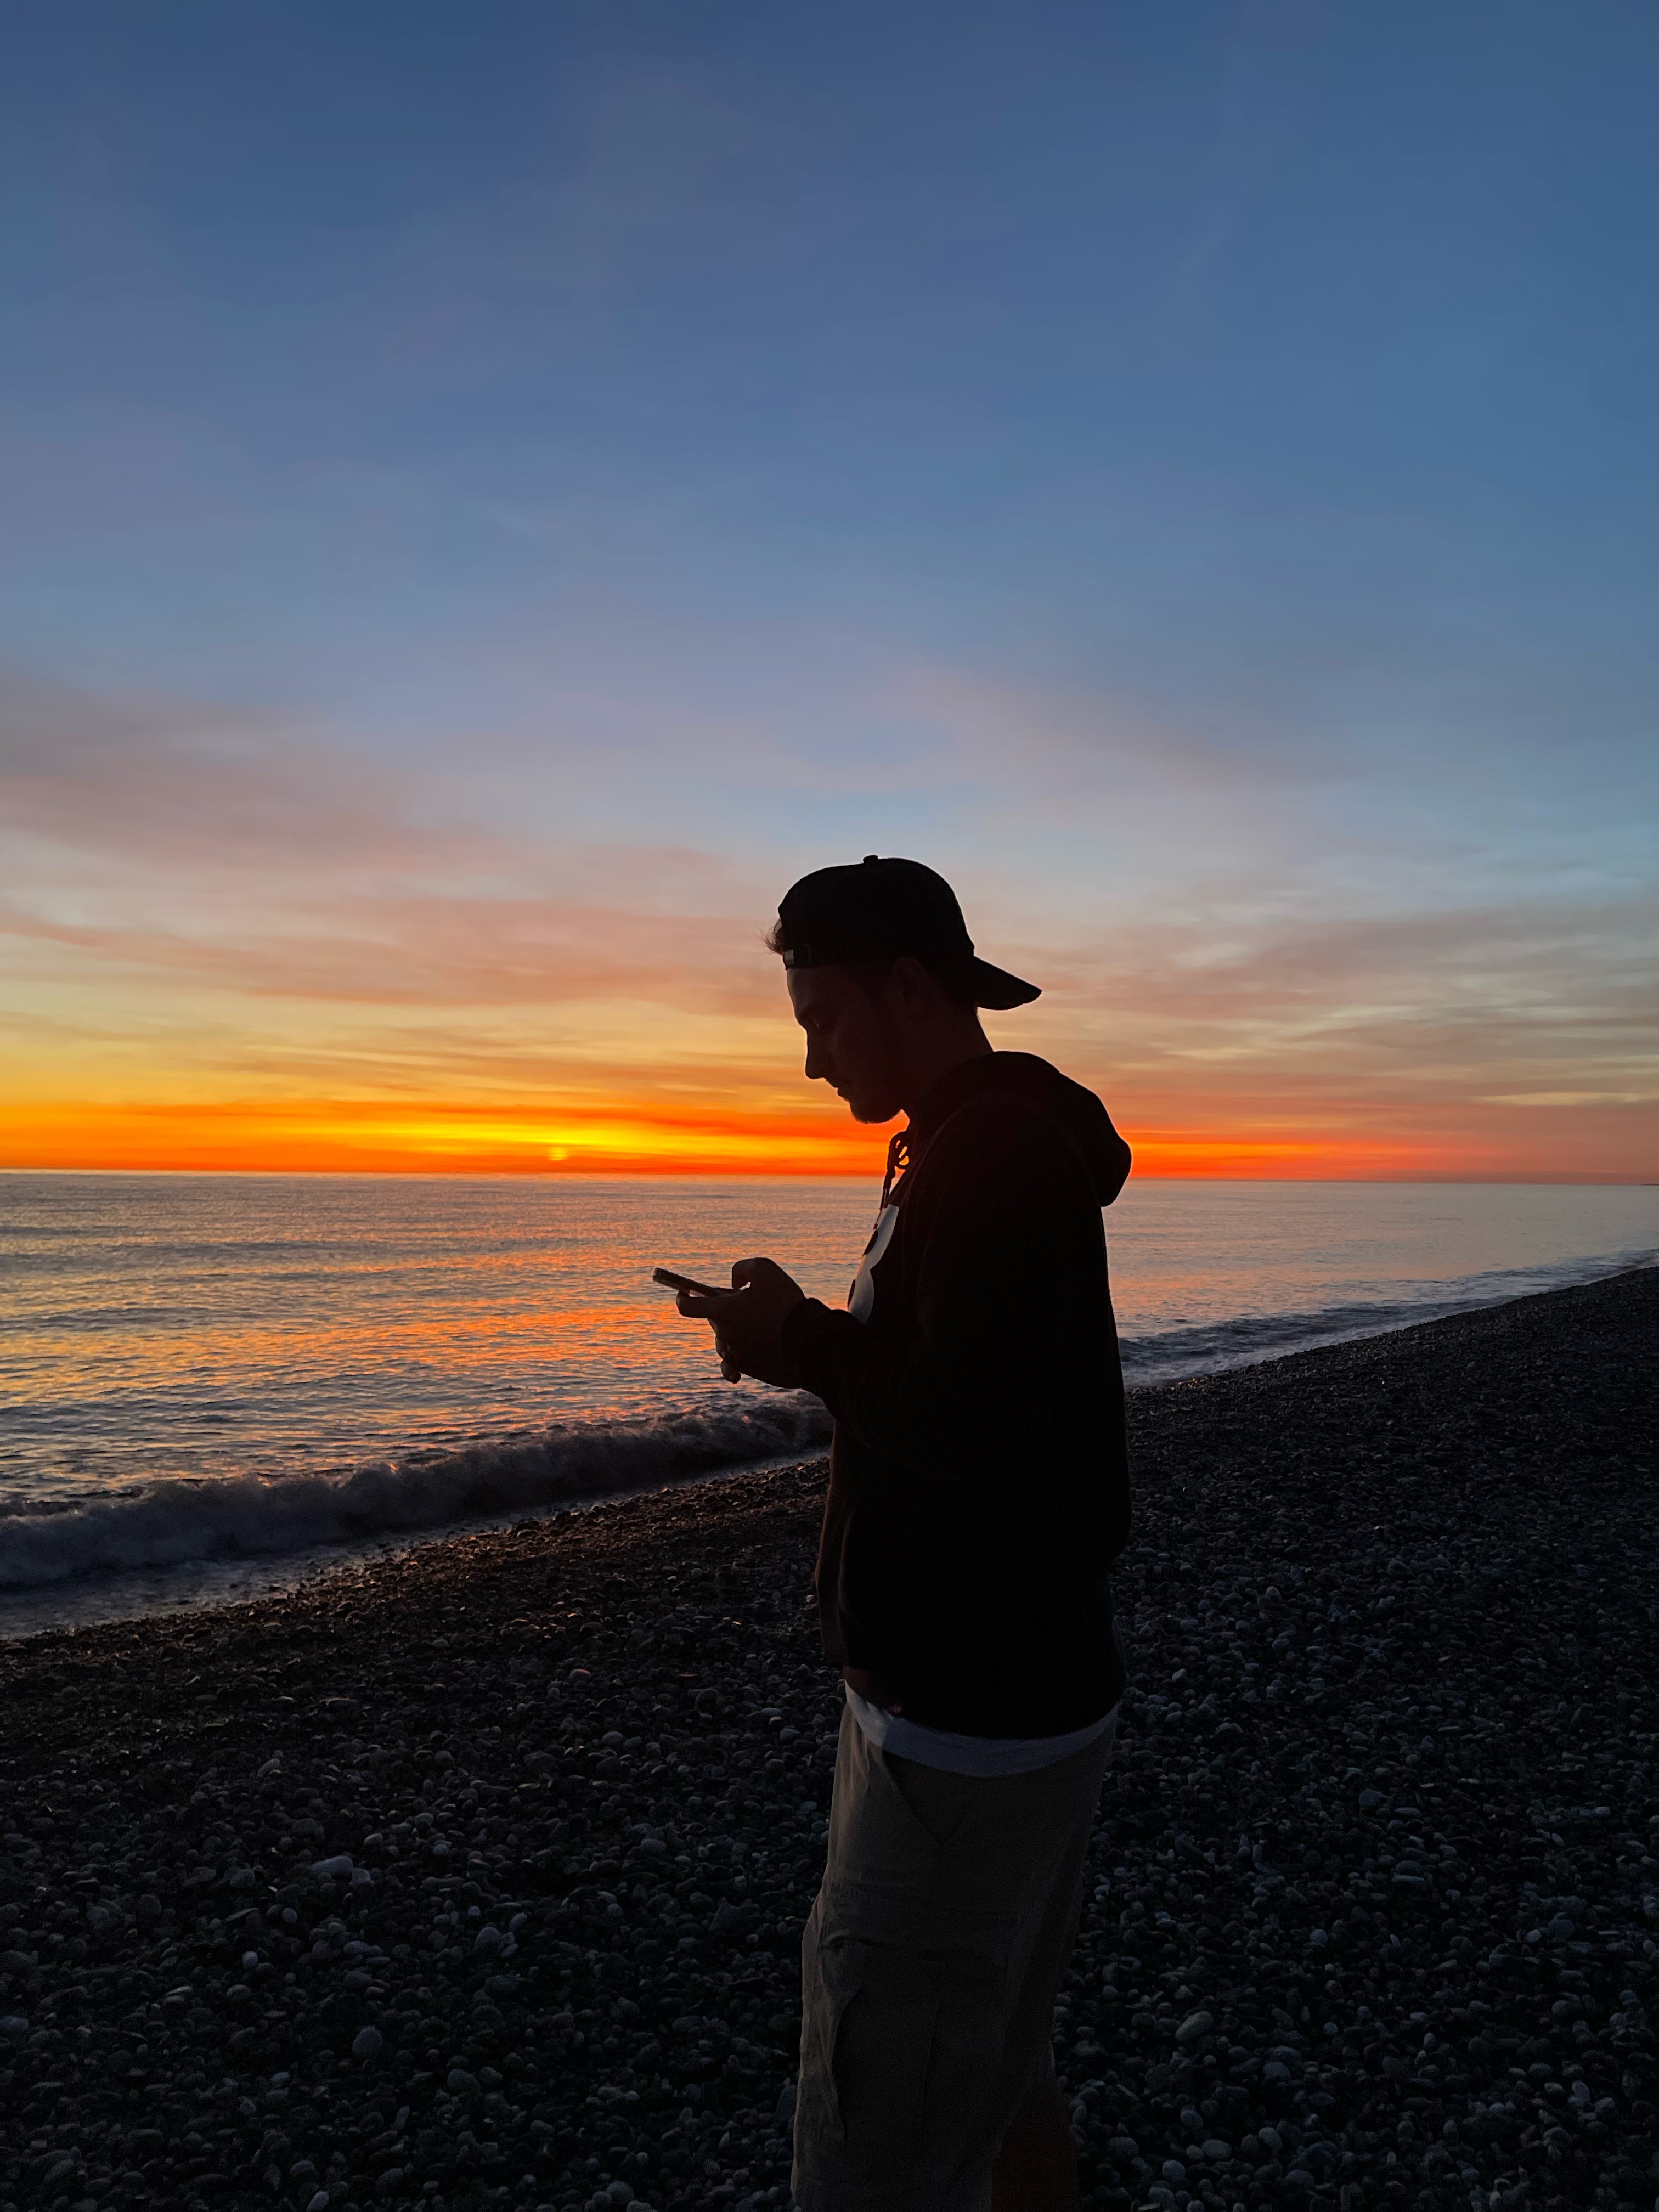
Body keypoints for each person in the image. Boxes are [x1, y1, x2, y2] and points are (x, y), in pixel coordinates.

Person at [676, 855, 1133, 2212]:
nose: (812, 1060)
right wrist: (799, 1334)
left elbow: (967, 1431)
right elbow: (954, 1382)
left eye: (824, 1020)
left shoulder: (993, 1151)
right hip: (990, 1703)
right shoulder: (964, 1138)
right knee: (994, 2070)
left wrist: (799, 1342)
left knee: (874, 2138)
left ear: (915, 992)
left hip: (965, 1727)